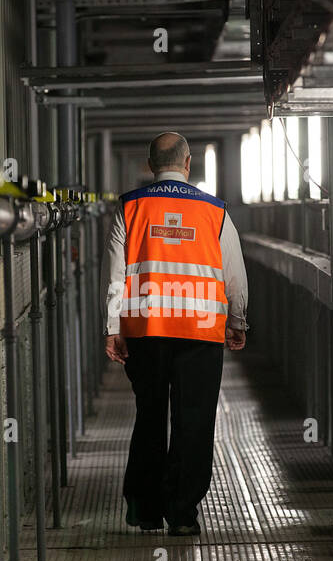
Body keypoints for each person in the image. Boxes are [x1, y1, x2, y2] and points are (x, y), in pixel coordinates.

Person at [100, 131, 248, 536]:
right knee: (194, 419)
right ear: (187, 164)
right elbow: (233, 272)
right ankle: (182, 513)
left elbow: (116, 272)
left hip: (146, 329)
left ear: (150, 165)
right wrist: (237, 320)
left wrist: (113, 327)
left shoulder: (130, 207)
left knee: (150, 415)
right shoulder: (215, 211)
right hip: (201, 332)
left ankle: (146, 510)